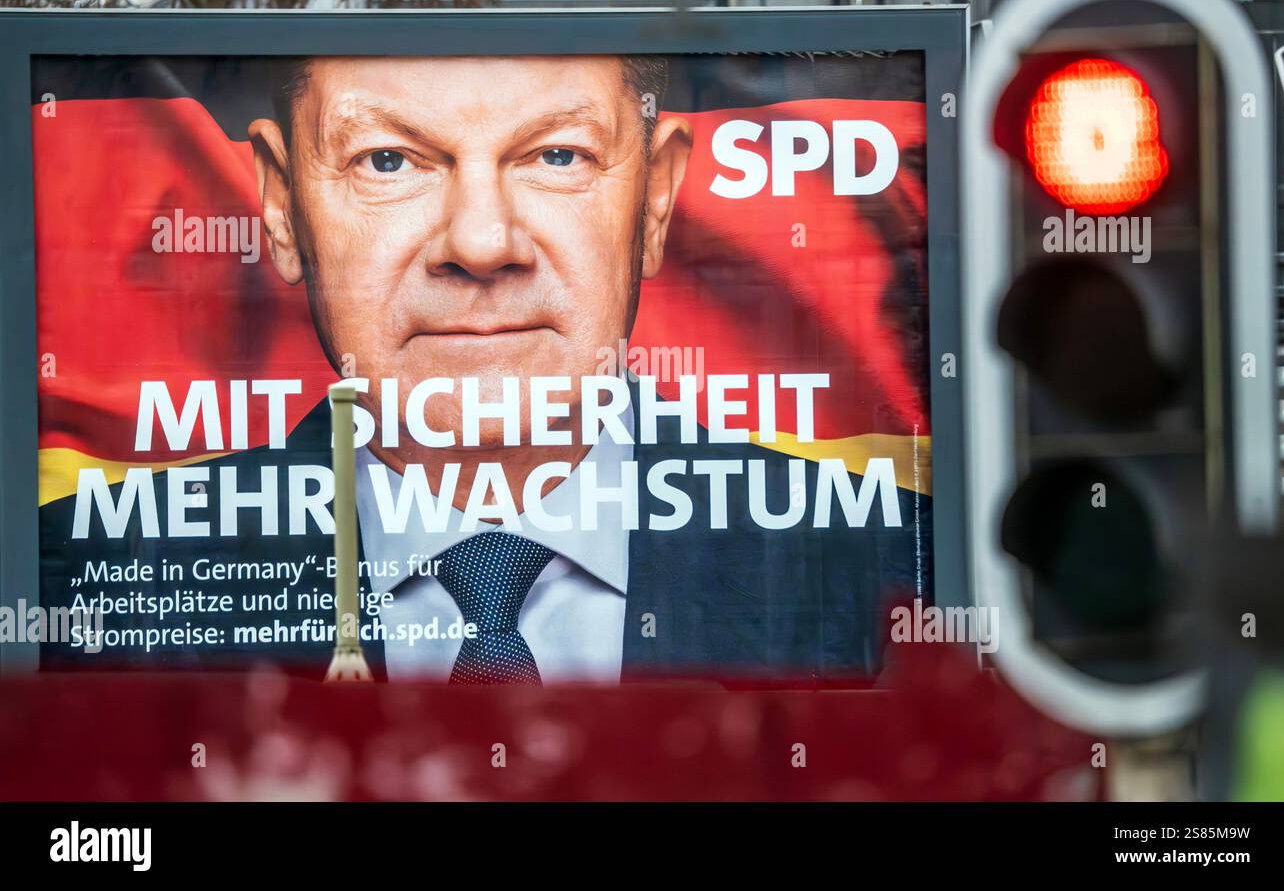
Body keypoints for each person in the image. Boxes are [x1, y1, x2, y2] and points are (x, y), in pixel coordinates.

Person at [43, 54, 924, 685]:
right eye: (388, 160)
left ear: (654, 200)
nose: (480, 241)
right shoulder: (90, 578)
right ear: (282, 207)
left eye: (556, 156)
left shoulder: (882, 568)